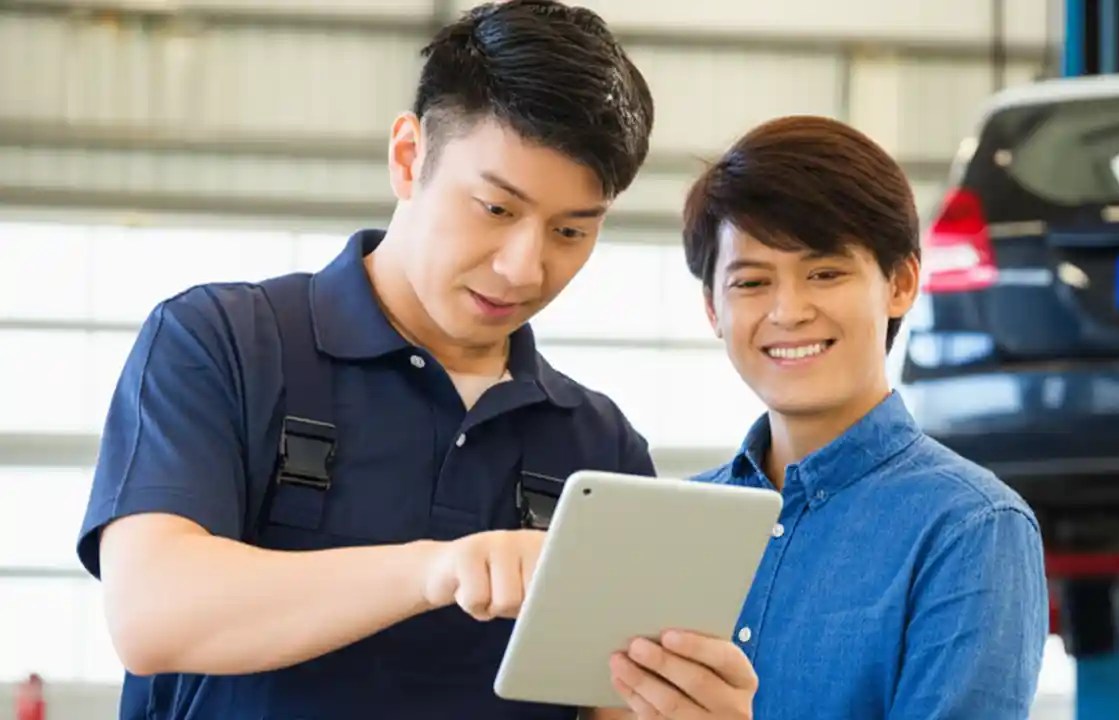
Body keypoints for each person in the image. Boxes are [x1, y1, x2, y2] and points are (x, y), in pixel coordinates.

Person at [77, 2, 755, 718]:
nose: (525, 267)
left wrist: (685, 705)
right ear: (408, 156)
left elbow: (604, 705)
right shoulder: (223, 343)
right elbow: (150, 613)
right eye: (495, 209)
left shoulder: (597, 445)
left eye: (569, 230)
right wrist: (434, 568)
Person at [681, 115, 1049, 719]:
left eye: (824, 273)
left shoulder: (972, 527)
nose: (788, 311)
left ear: (901, 282)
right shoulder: (675, 524)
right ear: (713, 310)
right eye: (750, 282)